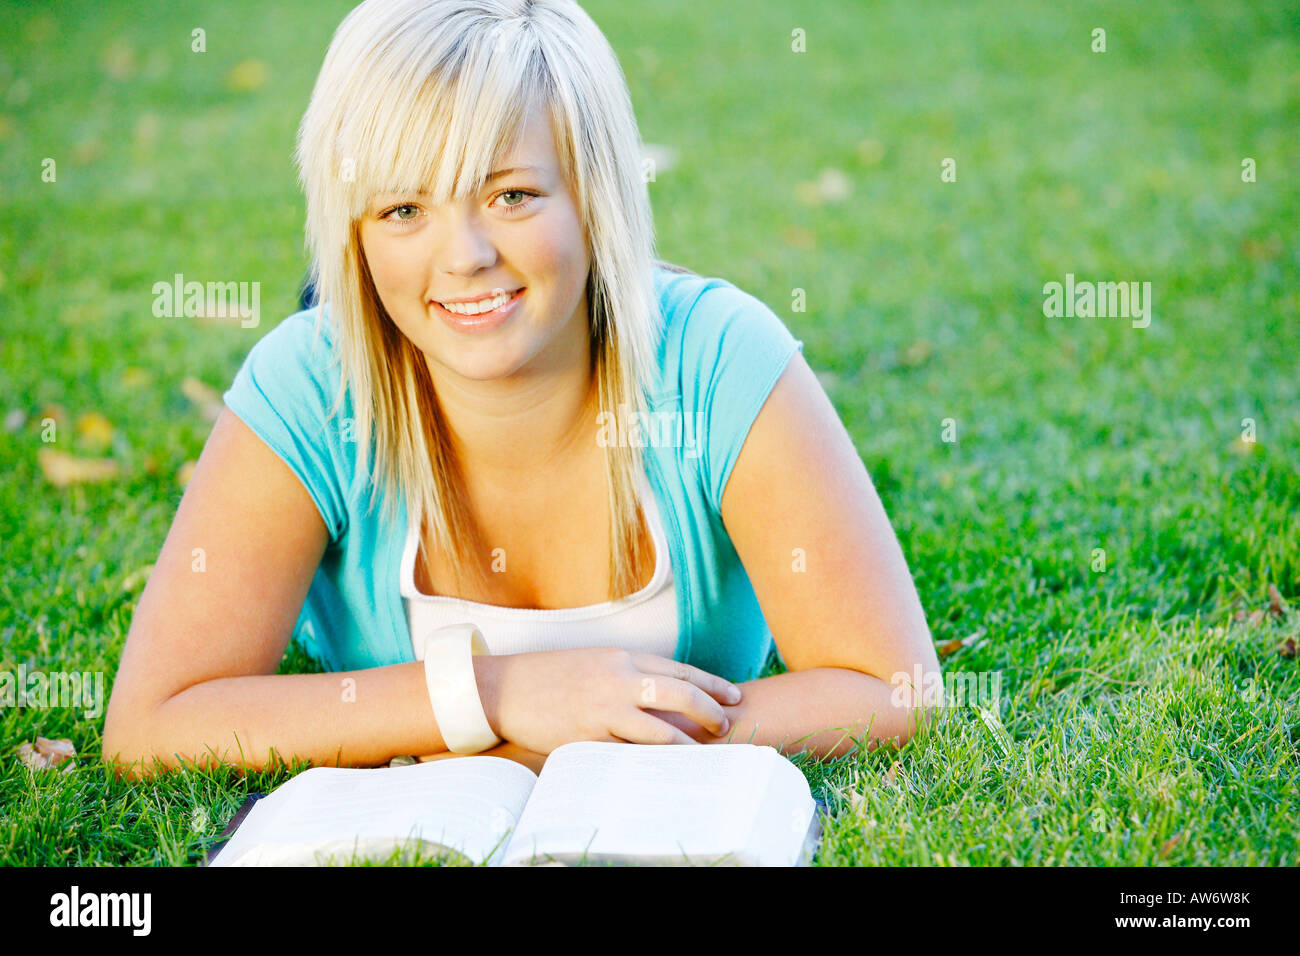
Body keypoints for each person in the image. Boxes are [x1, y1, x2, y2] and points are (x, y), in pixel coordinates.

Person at [102, 0, 940, 780]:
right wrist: (502, 695)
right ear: (351, 232)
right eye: (403, 209)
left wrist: (592, 730)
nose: (463, 254)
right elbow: (151, 725)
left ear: (594, 197)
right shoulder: (312, 385)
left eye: (511, 195)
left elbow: (892, 692)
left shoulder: (719, 358)